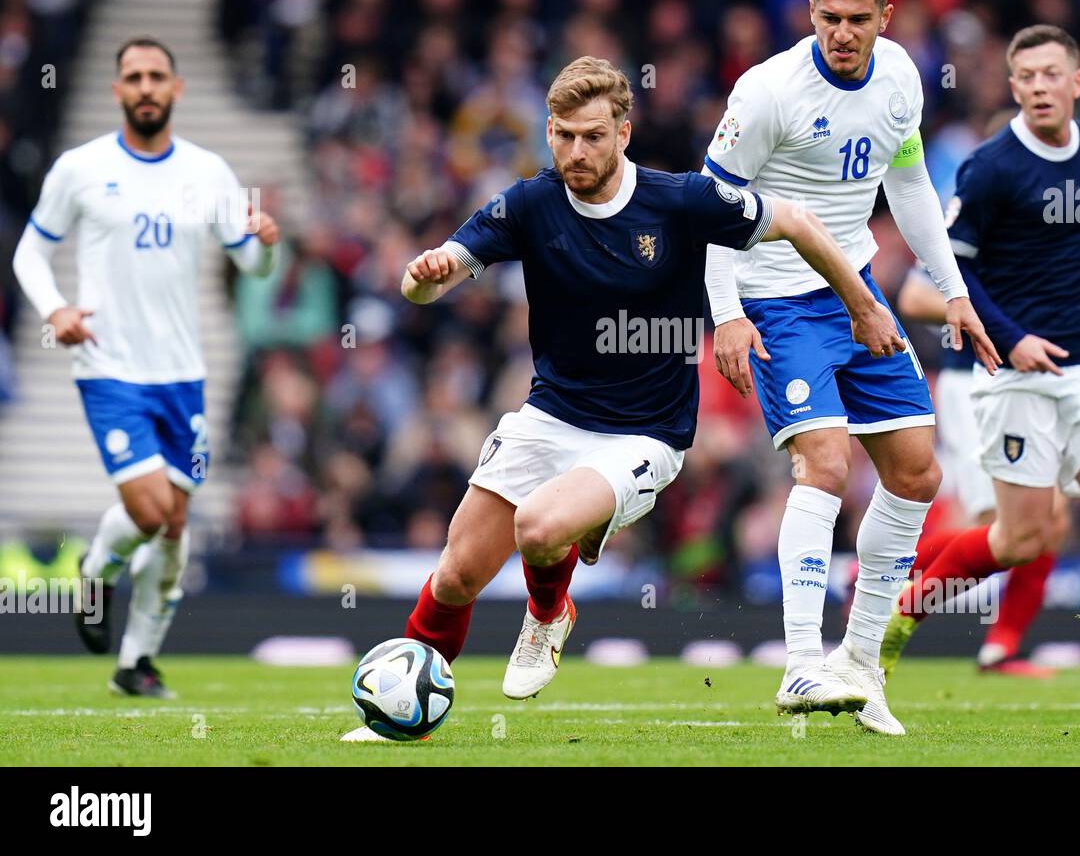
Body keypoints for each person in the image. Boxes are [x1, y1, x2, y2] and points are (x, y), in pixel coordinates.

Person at [342, 56, 886, 742]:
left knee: (538, 527)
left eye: (593, 136)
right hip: (550, 415)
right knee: (455, 573)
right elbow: (434, 276)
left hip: (645, 433)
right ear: (548, 129)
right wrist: (426, 276)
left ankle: (546, 615)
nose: (576, 150)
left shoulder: (681, 201)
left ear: (623, 132)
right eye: (564, 135)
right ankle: (400, 721)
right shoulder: (528, 205)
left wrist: (863, 306)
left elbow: (801, 222)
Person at [704, 0, 997, 734]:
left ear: (885, 17)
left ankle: (860, 665)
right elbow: (712, 205)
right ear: (810, 11)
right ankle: (802, 662)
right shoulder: (767, 91)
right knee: (826, 462)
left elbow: (909, 189)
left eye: (858, 20)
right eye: (829, 17)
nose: (842, 33)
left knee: (916, 472)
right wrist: (726, 311)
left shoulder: (901, 76)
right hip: (775, 296)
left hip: (856, 291)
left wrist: (957, 292)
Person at [879, 25, 1080, 717]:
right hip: (1014, 374)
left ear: (1076, 82)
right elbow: (951, 266)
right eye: (1025, 77)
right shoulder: (991, 167)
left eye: (1052, 74)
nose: (1039, 87)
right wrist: (1012, 336)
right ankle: (905, 605)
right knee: (1018, 536)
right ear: (1013, 85)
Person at [11, 37, 281, 697]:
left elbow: (250, 264)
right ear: (117, 91)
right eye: (133, 76)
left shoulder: (209, 172)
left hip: (182, 373)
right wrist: (54, 311)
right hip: (109, 367)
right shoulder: (80, 168)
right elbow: (28, 254)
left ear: (177, 89)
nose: (146, 86)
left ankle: (136, 661)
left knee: (176, 525)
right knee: (154, 509)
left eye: (157, 75)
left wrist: (268, 246)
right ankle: (97, 571)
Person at [893, 264, 1069, 677]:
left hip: (1029, 380)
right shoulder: (970, 207)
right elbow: (913, 298)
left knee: (1051, 521)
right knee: (1004, 527)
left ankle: (1001, 648)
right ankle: (883, 572)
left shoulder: (1043, 220)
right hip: (975, 382)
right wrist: (1000, 318)